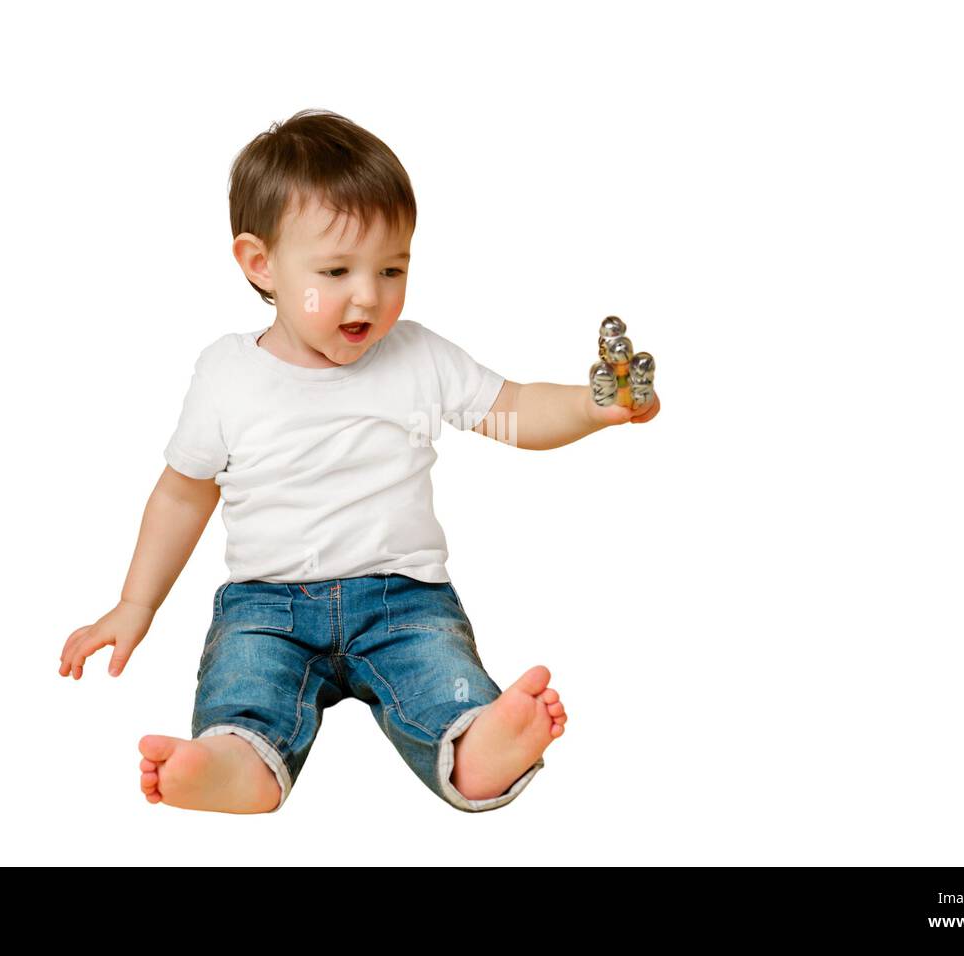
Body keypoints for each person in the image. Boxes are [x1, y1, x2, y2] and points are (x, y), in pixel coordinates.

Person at [57, 109, 661, 814]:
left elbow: (512, 409)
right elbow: (183, 495)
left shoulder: (416, 357)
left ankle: (473, 743)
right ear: (262, 265)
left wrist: (591, 409)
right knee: (247, 682)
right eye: (337, 271)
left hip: (402, 597)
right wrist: (137, 604)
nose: (369, 295)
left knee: (440, 672)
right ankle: (234, 761)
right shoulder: (227, 375)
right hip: (268, 604)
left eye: (392, 268)